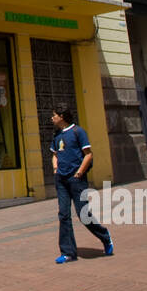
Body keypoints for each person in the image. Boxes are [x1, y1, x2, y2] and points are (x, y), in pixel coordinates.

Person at [50, 108, 113, 264]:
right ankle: (68, 252)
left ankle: (105, 237)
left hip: (76, 180)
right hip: (61, 180)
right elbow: (55, 154)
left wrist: (79, 172)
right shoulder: (57, 135)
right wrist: (56, 169)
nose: (52, 118)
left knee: (83, 214)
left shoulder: (78, 132)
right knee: (64, 215)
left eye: (54, 115)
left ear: (62, 116)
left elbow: (88, 154)